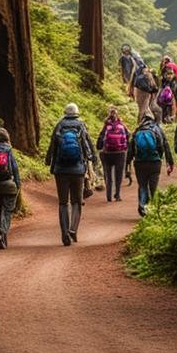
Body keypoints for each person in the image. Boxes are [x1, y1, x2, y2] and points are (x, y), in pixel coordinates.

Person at [45, 103, 98, 246]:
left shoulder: (59, 125)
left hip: (60, 171)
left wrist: (49, 162)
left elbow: (53, 147)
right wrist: (93, 160)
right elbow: (88, 146)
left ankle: (64, 234)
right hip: (78, 170)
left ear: (65, 113)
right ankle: (73, 229)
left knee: (63, 203)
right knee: (77, 201)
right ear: (76, 113)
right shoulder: (81, 125)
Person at [128, 113, 173, 217]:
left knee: (142, 186)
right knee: (153, 187)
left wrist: (127, 163)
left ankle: (142, 207)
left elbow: (131, 149)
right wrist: (168, 162)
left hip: (139, 163)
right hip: (154, 162)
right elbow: (164, 145)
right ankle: (154, 209)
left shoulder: (137, 130)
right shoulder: (157, 129)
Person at [95, 107, 131, 202]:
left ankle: (108, 195)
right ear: (117, 115)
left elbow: (100, 141)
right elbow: (128, 135)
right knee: (118, 175)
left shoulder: (106, 126)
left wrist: (100, 147)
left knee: (108, 174)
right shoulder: (122, 126)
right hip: (120, 153)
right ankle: (117, 195)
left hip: (107, 153)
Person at [120, 45, 159, 121]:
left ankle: (144, 121)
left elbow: (129, 72)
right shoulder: (136, 59)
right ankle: (148, 120)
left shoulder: (132, 59)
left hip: (141, 86)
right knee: (145, 106)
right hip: (143, 86)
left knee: (143, 107)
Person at [159, 55, 177, 122]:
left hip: (175, 84)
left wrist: (164, 79)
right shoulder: (170, 65)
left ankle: (173, 116)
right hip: (176, 83)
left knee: (173, 100)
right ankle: (175, 116)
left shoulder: (168, 67)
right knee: (174, 101)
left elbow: (170, 76)